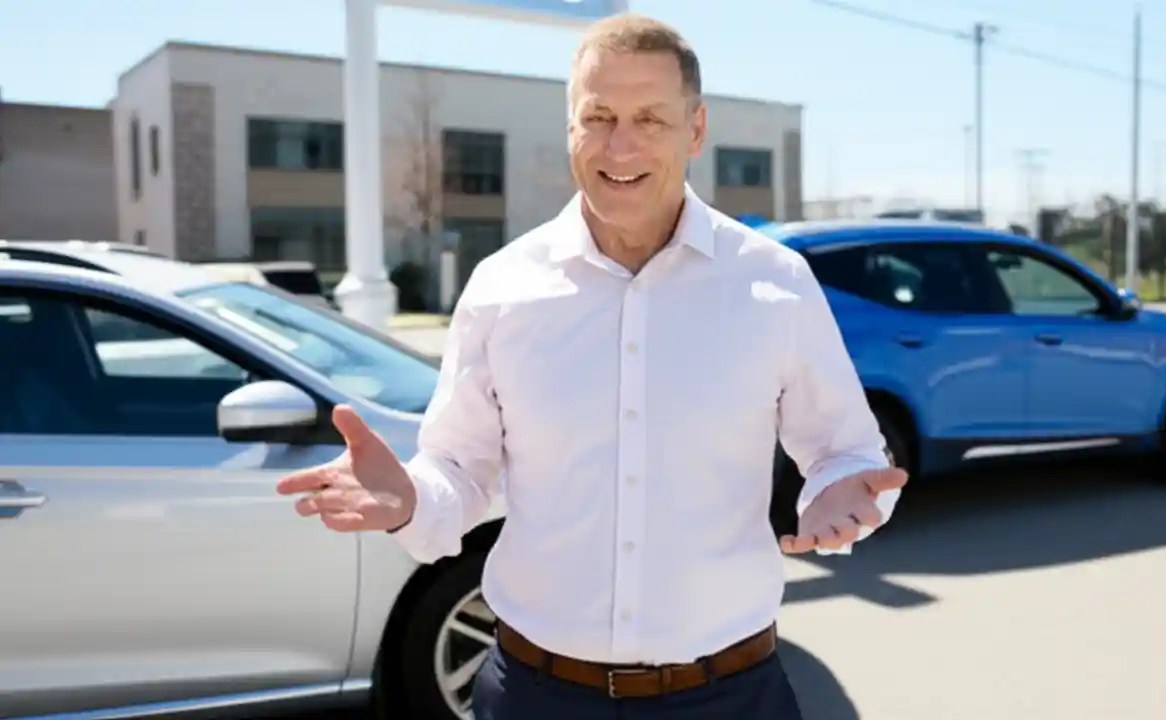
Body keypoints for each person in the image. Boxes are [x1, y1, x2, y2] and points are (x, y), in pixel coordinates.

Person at [277, 13, 907, 719]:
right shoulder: (502, 287)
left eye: (650, 119)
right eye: (598, 116)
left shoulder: (774, 283)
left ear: (696, 129)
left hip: (732, 695)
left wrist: (842, 490)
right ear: (571, 125)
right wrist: (409, 500)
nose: (621, 144)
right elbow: (458, 467)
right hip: (536, 694)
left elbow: (845, 451)